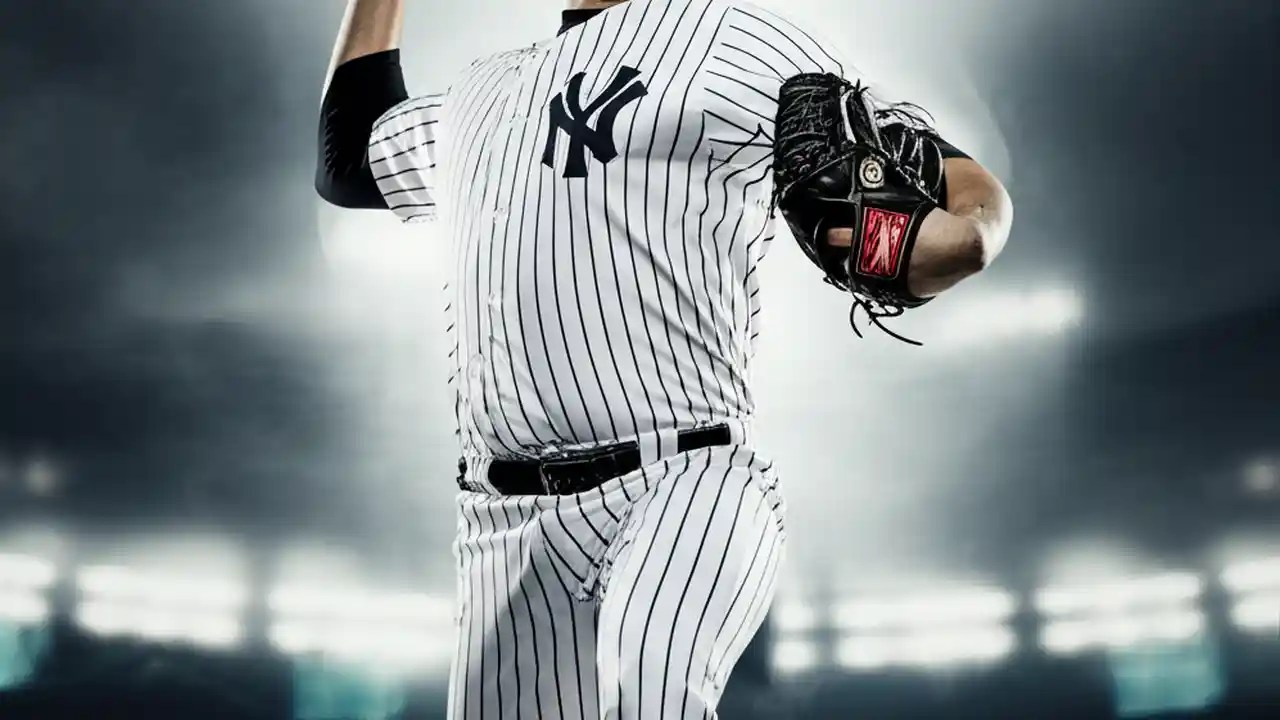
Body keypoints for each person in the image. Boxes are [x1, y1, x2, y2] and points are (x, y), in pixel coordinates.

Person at [315, 1, 1012, 718]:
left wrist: (966, 240)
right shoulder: (479, 92)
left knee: (649, 697)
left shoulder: (732, 39)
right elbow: (347, 160)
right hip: (501, 524)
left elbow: (963, 193)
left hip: (681, 484)